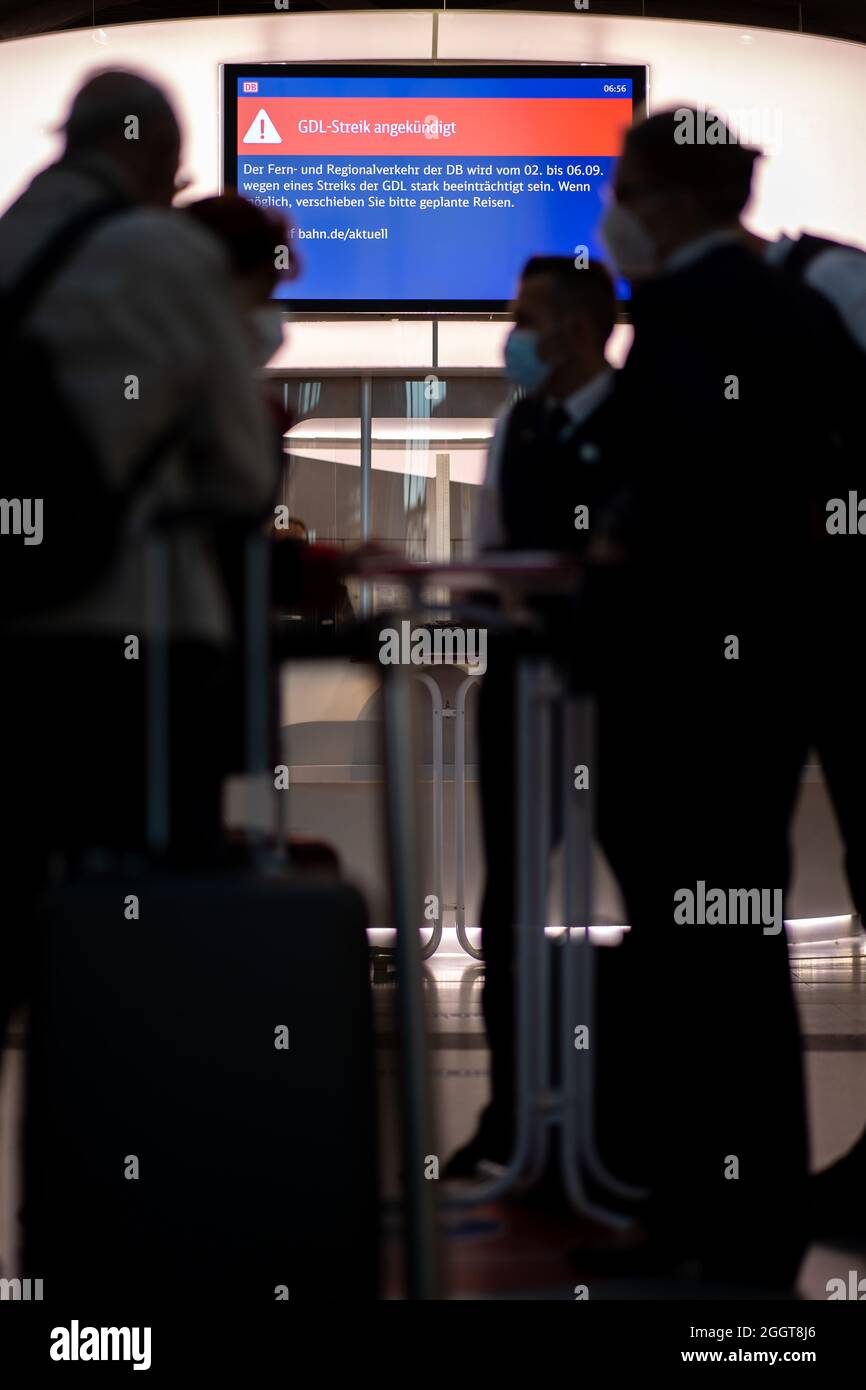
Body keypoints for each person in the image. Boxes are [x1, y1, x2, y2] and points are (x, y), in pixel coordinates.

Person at [577, 108, 865, 1284]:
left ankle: (710, 1223)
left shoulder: (696, 315)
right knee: (733, 944)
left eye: (622, 184)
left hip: (696, 691)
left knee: (697, 952)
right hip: (769, 676)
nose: (611, 207)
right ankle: (743, 1217)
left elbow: (682, 499)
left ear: (672, 198)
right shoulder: (795, 310)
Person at [0, 73, 278, 1049]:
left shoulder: (8, 241)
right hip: (137, 646)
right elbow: (243, 474)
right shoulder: (164, 253)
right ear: (158, 155)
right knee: (134, 944)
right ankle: (118, 1180)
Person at [446, 256, 622, 1178]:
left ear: (582, 328)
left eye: (526, 317)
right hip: (523, 692)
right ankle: (511, 1116)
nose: (511, 334)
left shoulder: (649, 424)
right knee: (510, 898)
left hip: (631, 697)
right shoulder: (514, 428)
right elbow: (490, 558)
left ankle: (633, 1125)